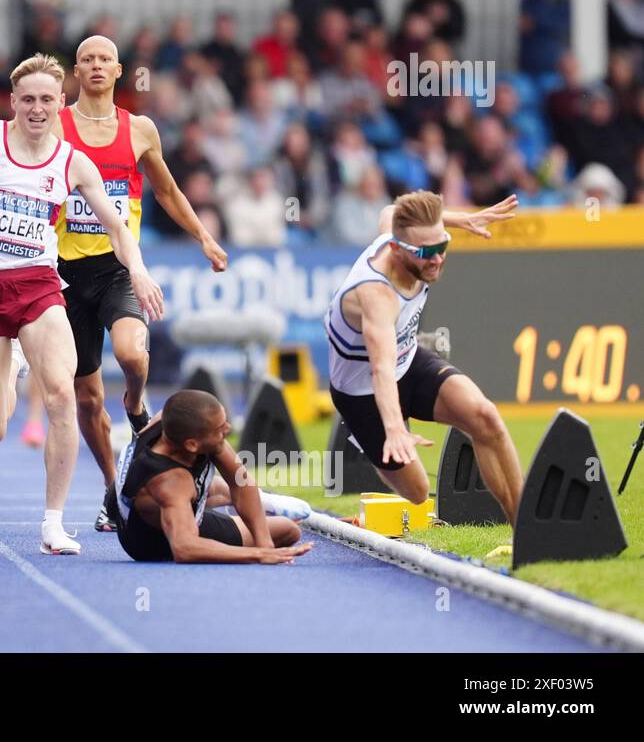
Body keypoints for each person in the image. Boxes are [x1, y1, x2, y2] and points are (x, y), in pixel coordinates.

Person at [0, 52, 165, 555]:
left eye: (46, 100)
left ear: (62, 104)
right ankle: (13, 364)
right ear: (13, 101)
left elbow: (116, 225)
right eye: (28, 99)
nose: (37, 108)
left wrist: (138, 269)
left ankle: (54, 523)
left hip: (38, 285)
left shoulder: (71, 162)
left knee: (61, 394)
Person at [54, 35, 228, 531]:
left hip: (118, 268)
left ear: (117, 71)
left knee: (133, 355)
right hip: (64, 276)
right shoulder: (58, 127)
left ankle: (134, 401)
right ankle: (115, 492)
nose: (94, 66)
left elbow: (169, 191)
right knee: (86, 399)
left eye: (103, 59)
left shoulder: (139, 130)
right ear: (77, 72)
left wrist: (204, 238)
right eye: (85, 59)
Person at [324, 190, 525, 523]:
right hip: (363, 394)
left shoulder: (398, 229)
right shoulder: (376, 295)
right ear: (395, 248)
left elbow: (391, 207)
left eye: (442, 245)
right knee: (418, 494)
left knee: (485, 416)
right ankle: (368, 455)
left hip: (408, 360)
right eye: (426, 252)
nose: (437, 259)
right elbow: (381, 370)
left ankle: (525, 529)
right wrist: (395, 429)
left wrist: (464, 220)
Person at [106, 390, 312, 563]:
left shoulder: (174, 420)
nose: (228, 430)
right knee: (288, 531)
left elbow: (241, 482)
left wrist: (264, 542)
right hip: (153, 541)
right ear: (191, 445)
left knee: (225, 489)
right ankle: (228, 504)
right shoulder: (171, 482)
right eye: (220, 430)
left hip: (173, 502)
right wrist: (260, 553)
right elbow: (184, 548)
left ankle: (259, 500)